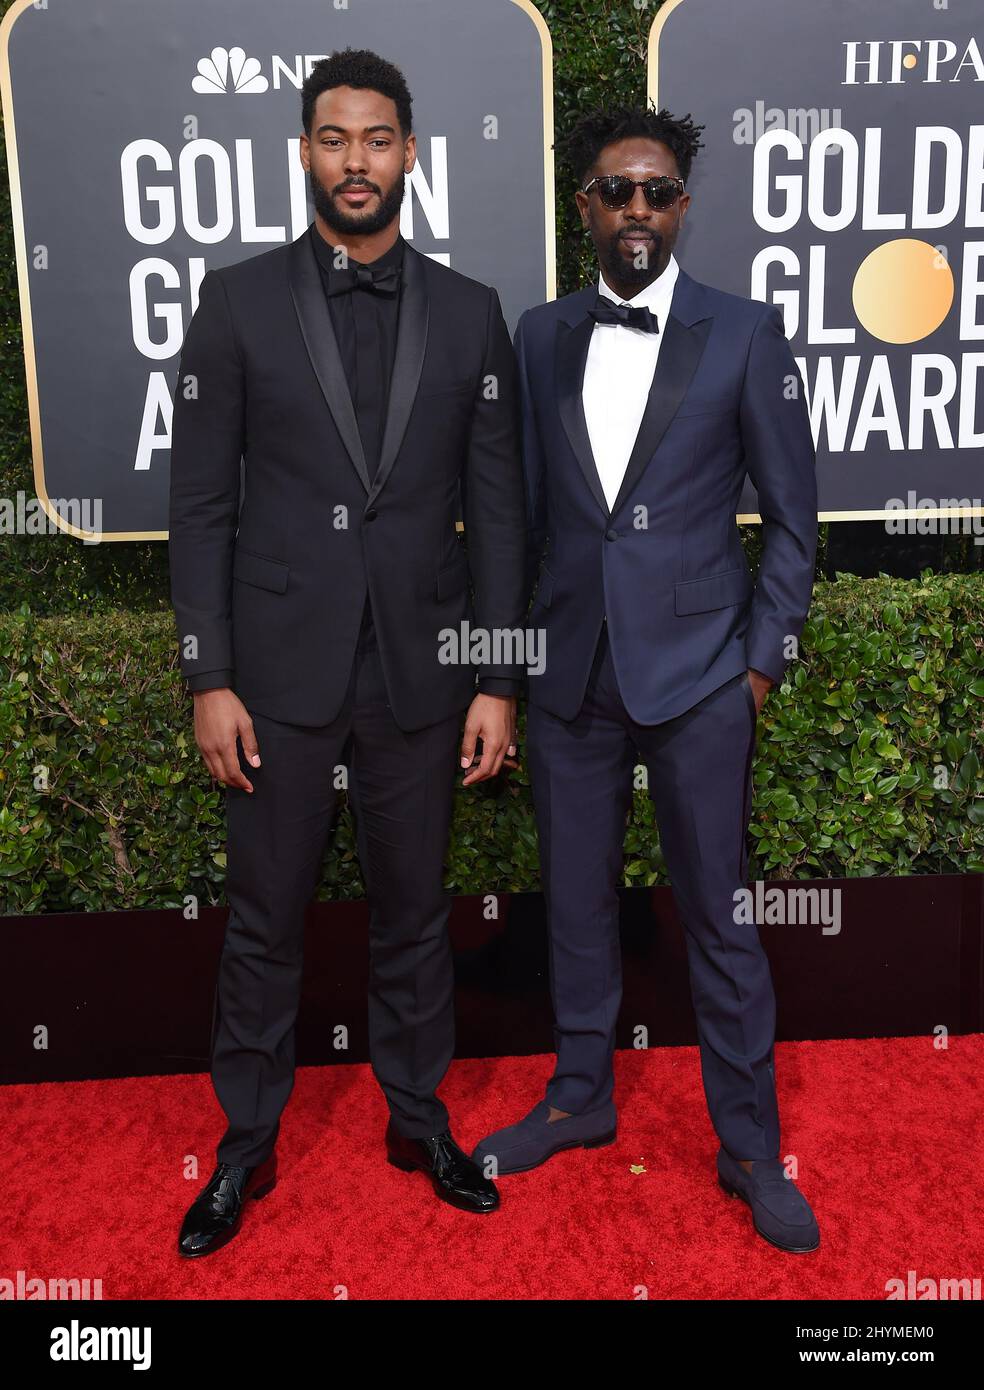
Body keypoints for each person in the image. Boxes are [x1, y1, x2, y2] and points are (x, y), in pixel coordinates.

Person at [169, 48, 527, 1256]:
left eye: (379, 139)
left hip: (425, 672)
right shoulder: (236, 303)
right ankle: (245, 1145)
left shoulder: (473, 311)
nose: (357, 161)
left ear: (411, 151)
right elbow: (201, 505)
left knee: (415, 912)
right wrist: (206, 676)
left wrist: (497, 674)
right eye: (335, 138)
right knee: (265, 916)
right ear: (306, 150)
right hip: (274, 670)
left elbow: (503, 512)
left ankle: (419, 1121)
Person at [473, 105, 821, 1254]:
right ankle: (580, 1097)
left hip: (701, 678)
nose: (637, 209)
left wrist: (757, 668)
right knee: (574, 903)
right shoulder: (538, 336)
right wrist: (512, 670)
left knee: (719, 916)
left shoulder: (745, 332)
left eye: (657, 191)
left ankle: (749, 1143)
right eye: (616, 190)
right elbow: (513, 517)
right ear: (585, 207)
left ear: (682, 206)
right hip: (571, 673)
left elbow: (794, 522)